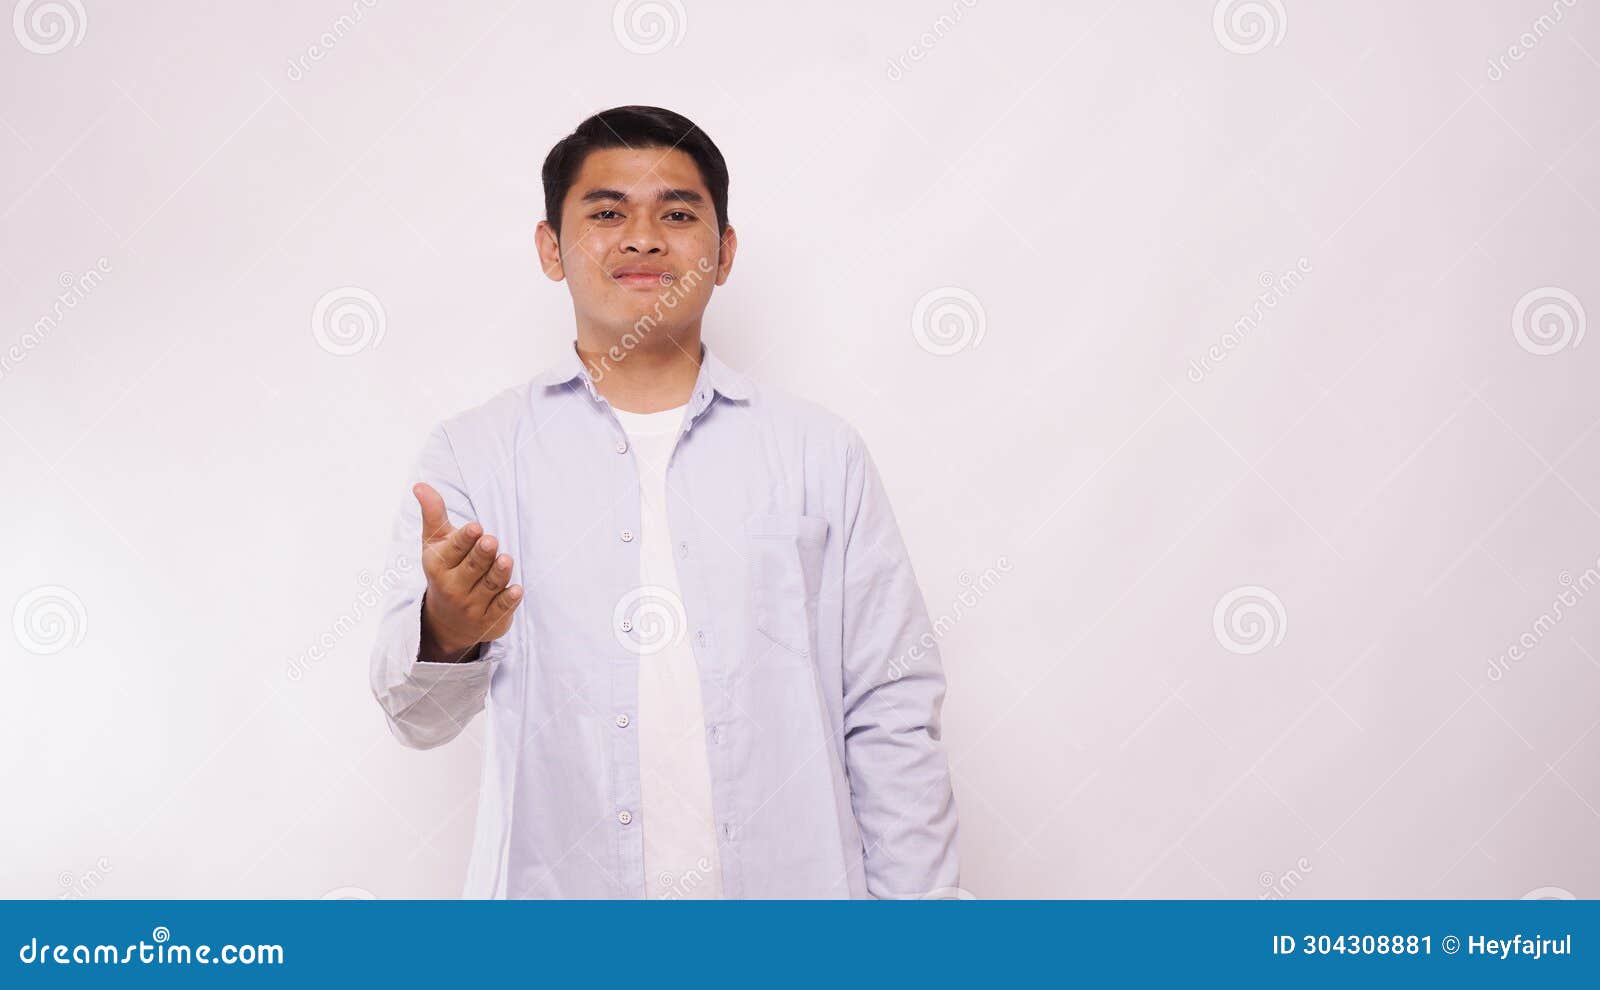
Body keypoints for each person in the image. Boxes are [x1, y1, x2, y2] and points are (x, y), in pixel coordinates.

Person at [369, 106, 959, 899]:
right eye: (607, 212)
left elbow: (891, 710)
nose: (643, 238)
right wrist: (449, 632)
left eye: (678, 214)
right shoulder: (474, 454)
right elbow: (416, 719)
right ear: (551, 248)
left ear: (724, 253)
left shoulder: (820, 452)